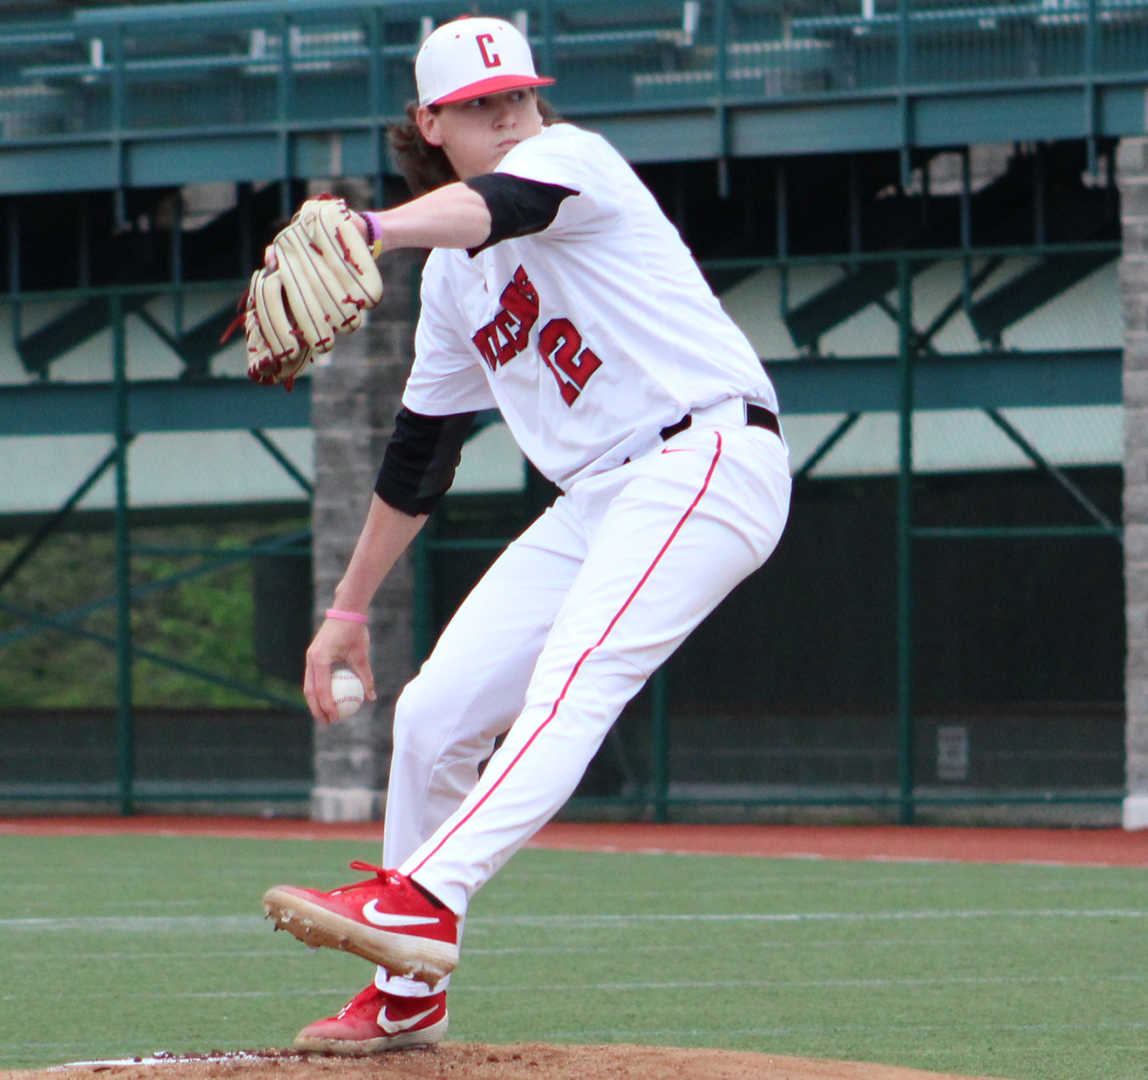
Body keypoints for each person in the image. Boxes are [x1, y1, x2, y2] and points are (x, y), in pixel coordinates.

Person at [260, 15, 791, 1055]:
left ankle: (420, 899)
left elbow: (505, 202)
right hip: (600, 496)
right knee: (431, 718)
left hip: (705, 455)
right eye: (479, 105)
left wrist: (368, 230)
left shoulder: (567, 159)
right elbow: (420, 456)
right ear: (431, 120)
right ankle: (408, 994)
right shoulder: (456, 282)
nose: (508, 116)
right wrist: (348, 609)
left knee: (576, 677)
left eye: (518, 96)